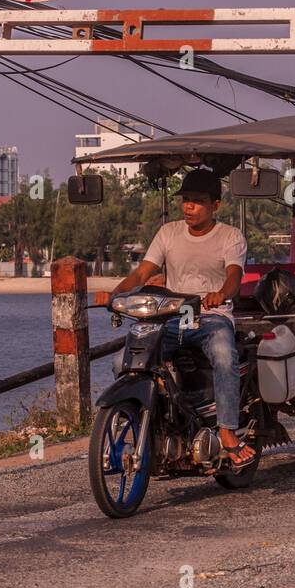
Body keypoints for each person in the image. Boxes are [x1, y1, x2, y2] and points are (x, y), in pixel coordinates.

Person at [112, 168, 254, 467]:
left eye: (197, 201)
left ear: (215, 205)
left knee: (224, 356)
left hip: (211, 316)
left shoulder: (230, 236)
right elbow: (142, 272)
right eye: (186, 200)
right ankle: (136, 420)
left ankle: (228, 433)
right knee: (128, 357)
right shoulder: (169, 232)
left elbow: (234, 278)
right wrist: (116, 294)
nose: (188, 206)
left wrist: (221, 293)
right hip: (171, 315)